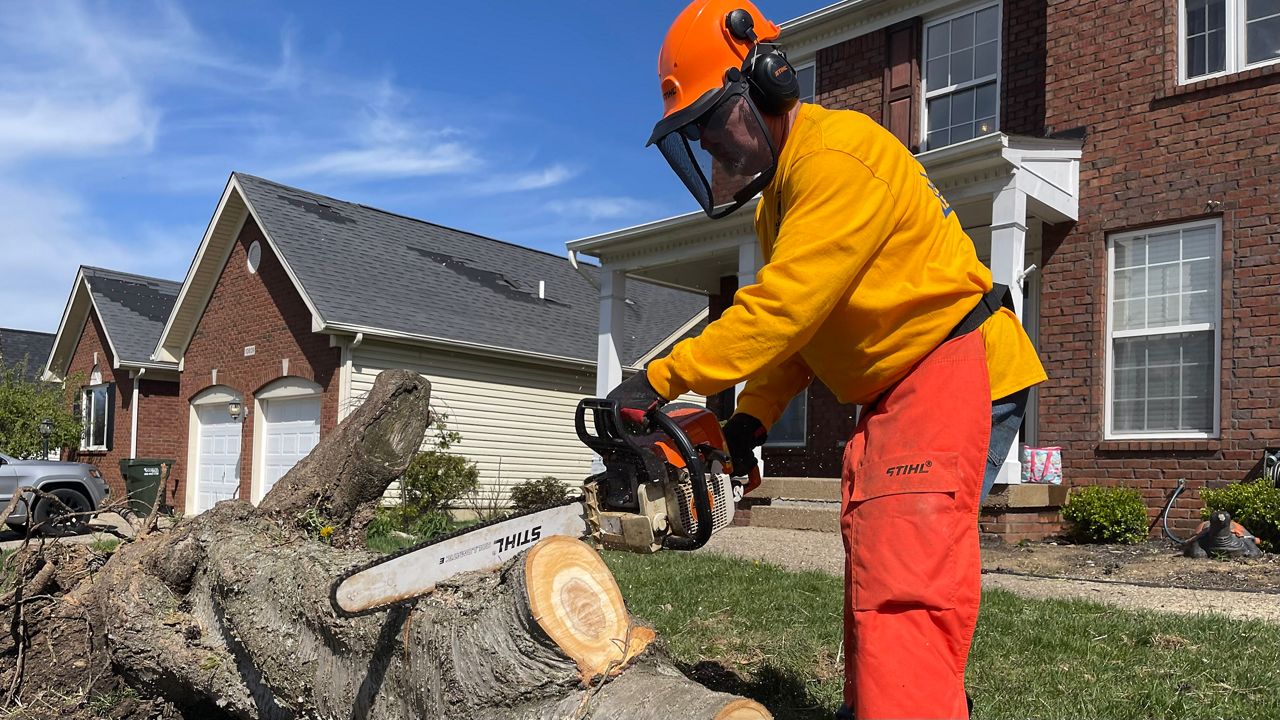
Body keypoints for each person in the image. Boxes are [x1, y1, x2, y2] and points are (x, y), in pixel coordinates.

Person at [606, 1, 1047, 717]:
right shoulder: (779, 198)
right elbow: (801, 330)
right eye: (703, 138)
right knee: (883, 554)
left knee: (905, 565)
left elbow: (780, 309)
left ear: (770, 81)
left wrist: (659, 379)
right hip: (902, 384)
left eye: (718, 123)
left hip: (952, 363)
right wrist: (750, 421)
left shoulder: (838, 156)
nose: (718, 150)